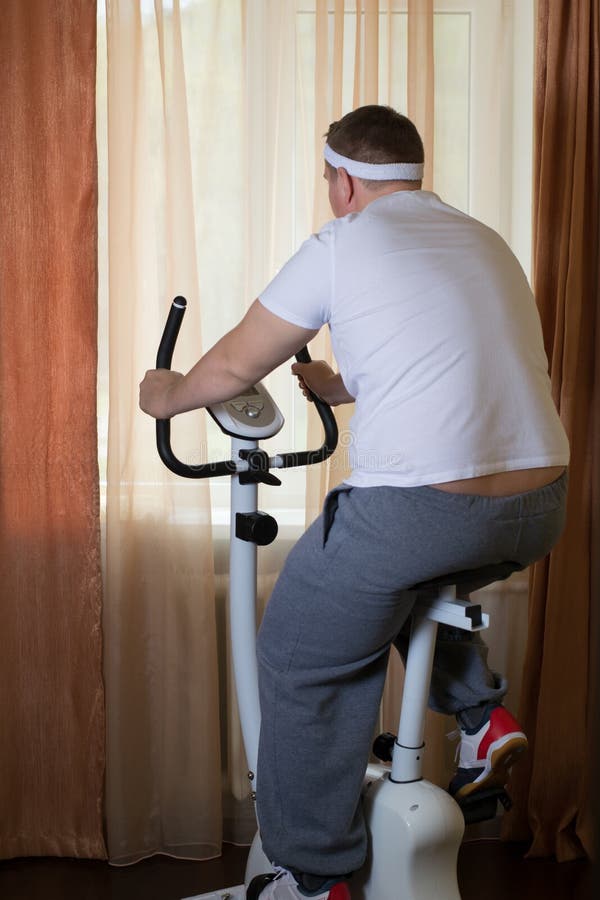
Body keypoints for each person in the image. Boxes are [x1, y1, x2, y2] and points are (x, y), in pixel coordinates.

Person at [140, 105, 569, 900]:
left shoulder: (341, 243)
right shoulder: (482, 238)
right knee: (399, 590)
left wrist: (167, 396)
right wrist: (341, 385)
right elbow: (466, 363)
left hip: (419, 509)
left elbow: (234, 363)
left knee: (304, 661)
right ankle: (482, 719)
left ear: (341, 181)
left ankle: (310, 879)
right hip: (540, 504)